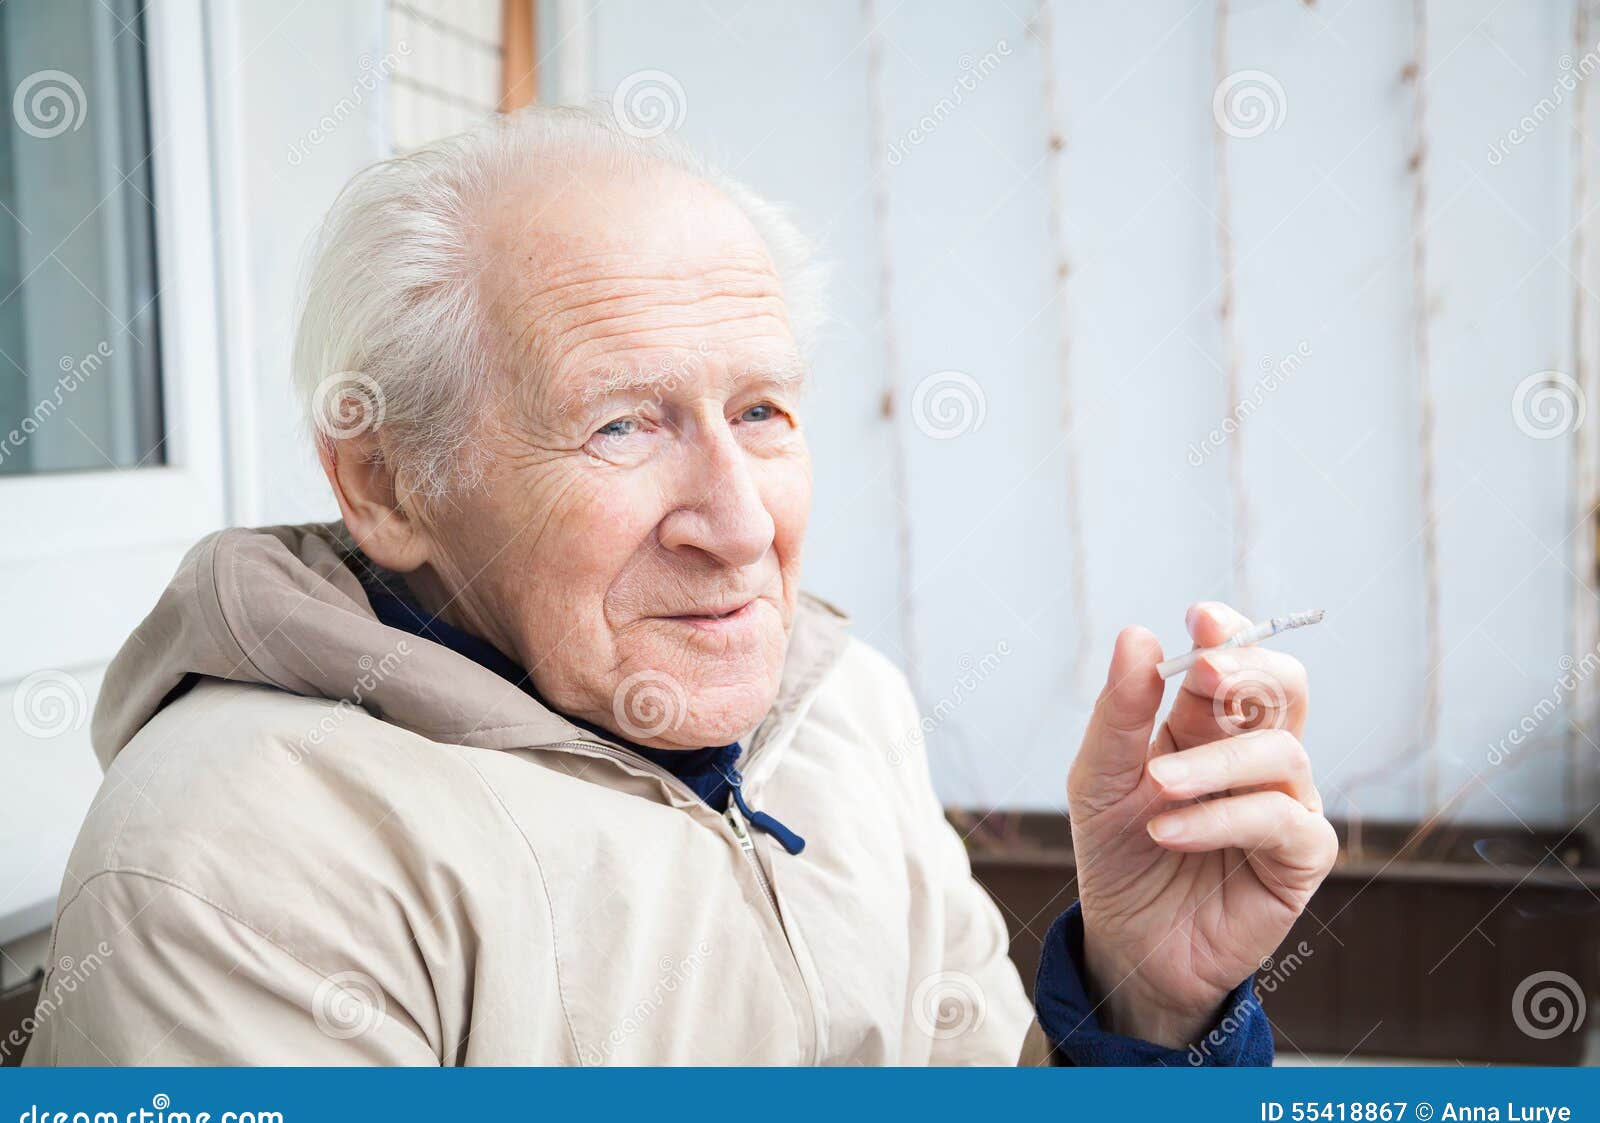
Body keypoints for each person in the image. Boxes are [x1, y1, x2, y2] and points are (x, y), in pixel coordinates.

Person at [24, 105, 1334, 1065]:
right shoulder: (242, 850)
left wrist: (1144, 1006)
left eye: (761, 409)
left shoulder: (843, 711)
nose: (738, 519)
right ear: (386, 485)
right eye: (622, 426)